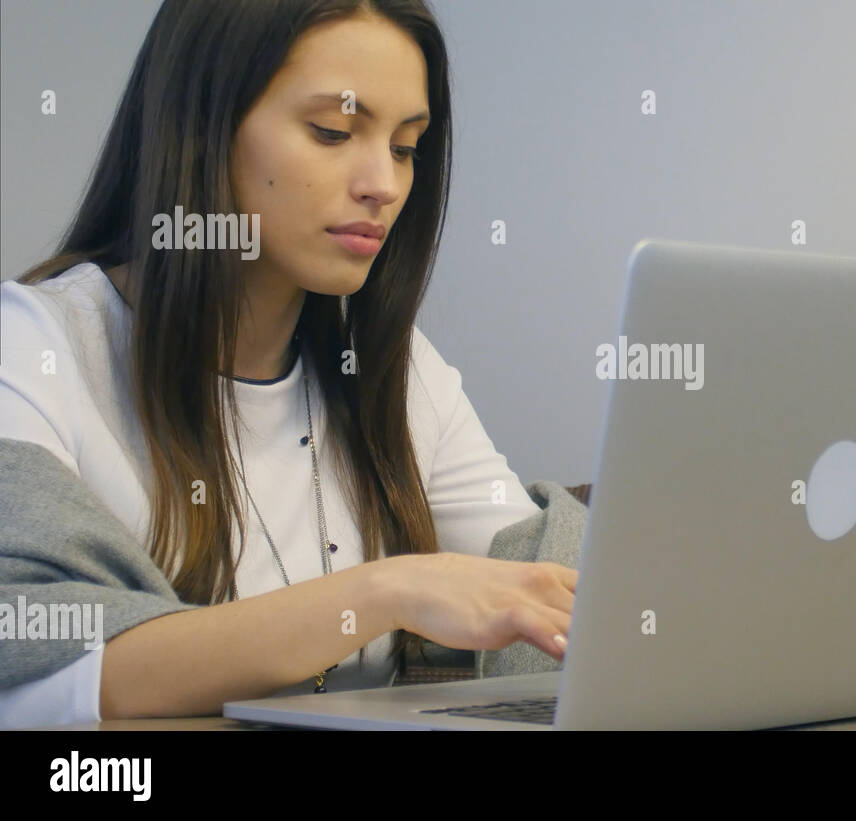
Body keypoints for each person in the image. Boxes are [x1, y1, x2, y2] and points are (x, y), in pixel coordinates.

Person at [0, 0, 576, 727]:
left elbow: (536, 582)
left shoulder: (394, 373)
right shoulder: (33, 346)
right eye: (333, 132)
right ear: (203, 128)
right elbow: (38, 653)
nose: (384, 184)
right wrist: (388, 591)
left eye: (405, 147)